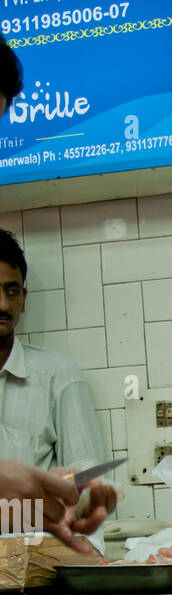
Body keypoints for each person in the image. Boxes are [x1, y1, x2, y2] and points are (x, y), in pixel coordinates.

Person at [0, 225, 116, 553]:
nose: (3, 305)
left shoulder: (59, 377)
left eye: (11, 291)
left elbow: (88, 488)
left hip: (38, 564)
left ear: (24, 299)